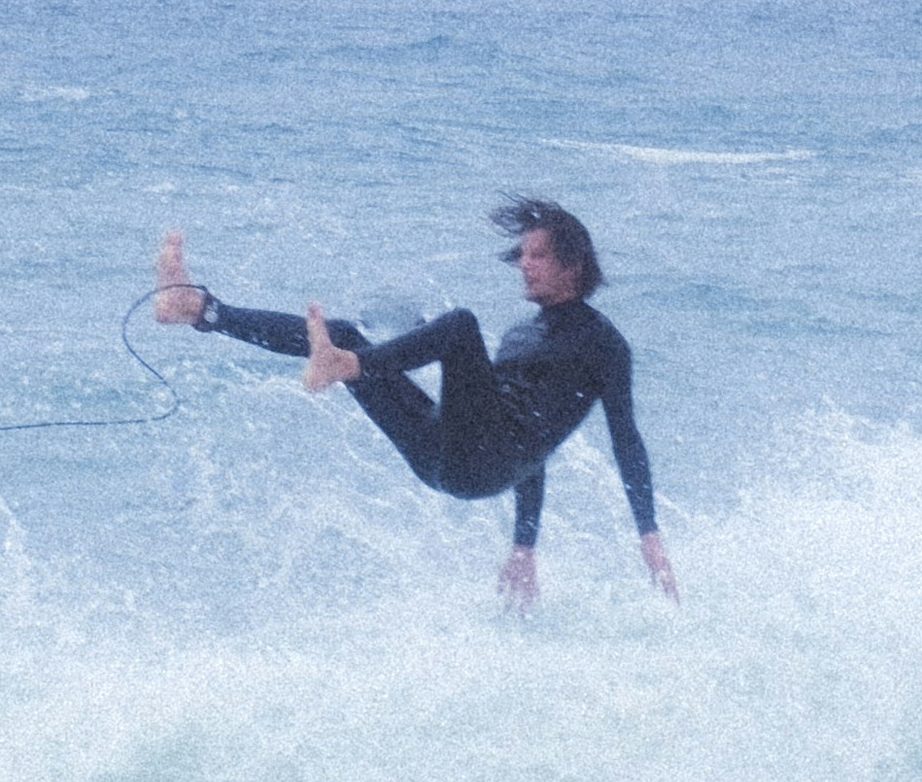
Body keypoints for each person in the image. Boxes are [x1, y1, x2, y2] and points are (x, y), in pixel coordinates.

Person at [150, 198, 670, 607]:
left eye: (538, 256)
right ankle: (197, 308)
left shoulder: (603, 345)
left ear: (573, 265)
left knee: (458, 325)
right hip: (441, 454)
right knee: (346, 334)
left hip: (482, 465)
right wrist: (523, 546)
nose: (524, 266)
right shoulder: (521, 334)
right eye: (523, 254)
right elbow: (534, 437)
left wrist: (648, 536)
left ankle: (348, 366)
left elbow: (624, 438)